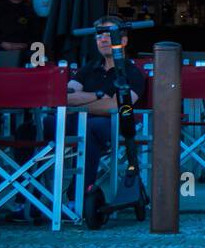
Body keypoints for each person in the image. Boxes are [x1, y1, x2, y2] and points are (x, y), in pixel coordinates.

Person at [13, 17, 146, 214]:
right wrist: (97, 96)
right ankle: (25, 200)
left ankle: (78, 197)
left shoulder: (132, 73)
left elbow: (114, 106)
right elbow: (65, 97)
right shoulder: (88, 69)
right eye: (99, 35)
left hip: (112, 126)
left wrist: (86, 101)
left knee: (89, 129)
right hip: (77, 121)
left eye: (109, 35)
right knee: (29, 128)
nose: (103, 39)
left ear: (123, 41)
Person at [0, 0, 42, 68]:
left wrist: (26, 44)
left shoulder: (29, 10)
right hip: (1, 47)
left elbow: (36, 33)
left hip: (24, 47)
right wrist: (3, 44)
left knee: (39, 48)